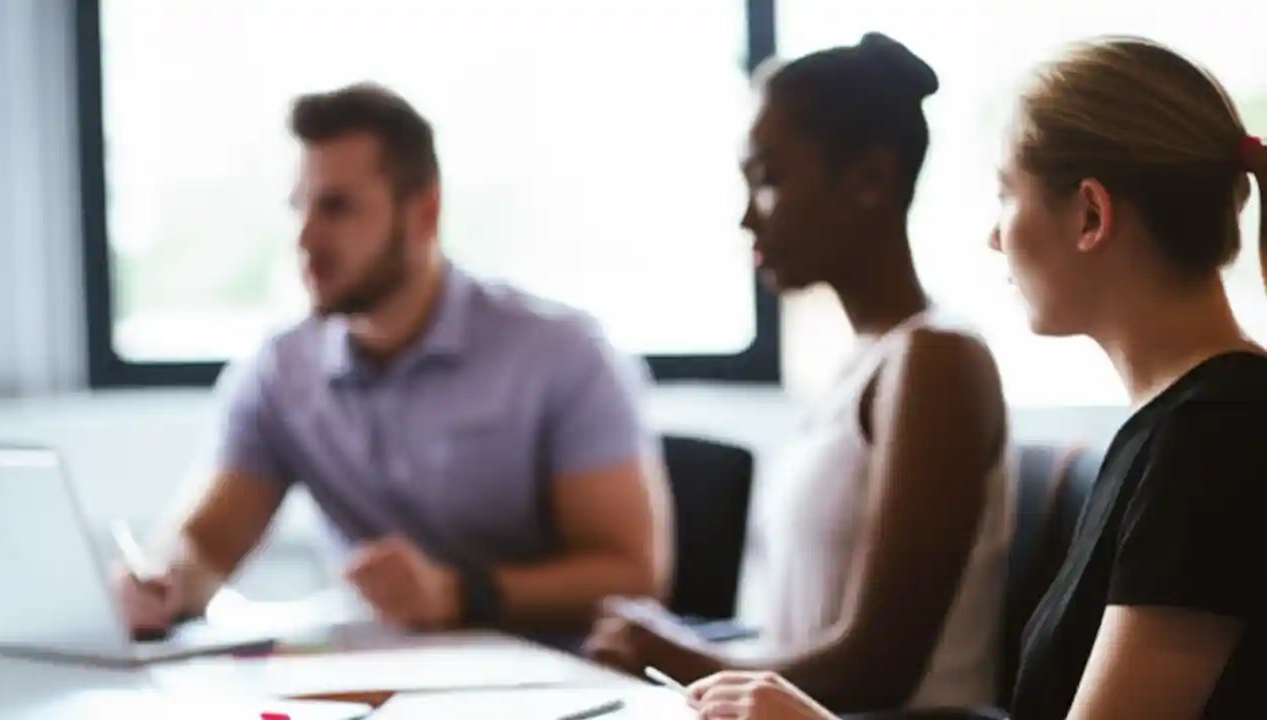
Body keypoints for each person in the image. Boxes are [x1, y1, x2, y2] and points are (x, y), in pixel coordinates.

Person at [684, 36, 1267, 720]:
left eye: (1005, 194)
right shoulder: (1179, 429)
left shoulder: (1213, 441)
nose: (995, 237)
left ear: (1089, 216)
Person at [116, 82, 672, 639]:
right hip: (386, 682)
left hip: (555, 683)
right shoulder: (281, 372)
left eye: (336, 208)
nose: (305, 237)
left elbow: (633, 577)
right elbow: (204, 546)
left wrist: (458, 592)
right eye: (299, 208)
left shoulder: (560, 353)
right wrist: (161, 584)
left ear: (424, 213)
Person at [586, 33, 1012, 714]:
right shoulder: (859, 365)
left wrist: (672, 653)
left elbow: (874, 669)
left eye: (769, 178)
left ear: (871, 178)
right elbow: (794, 637)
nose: (747, 214)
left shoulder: (937, 361)